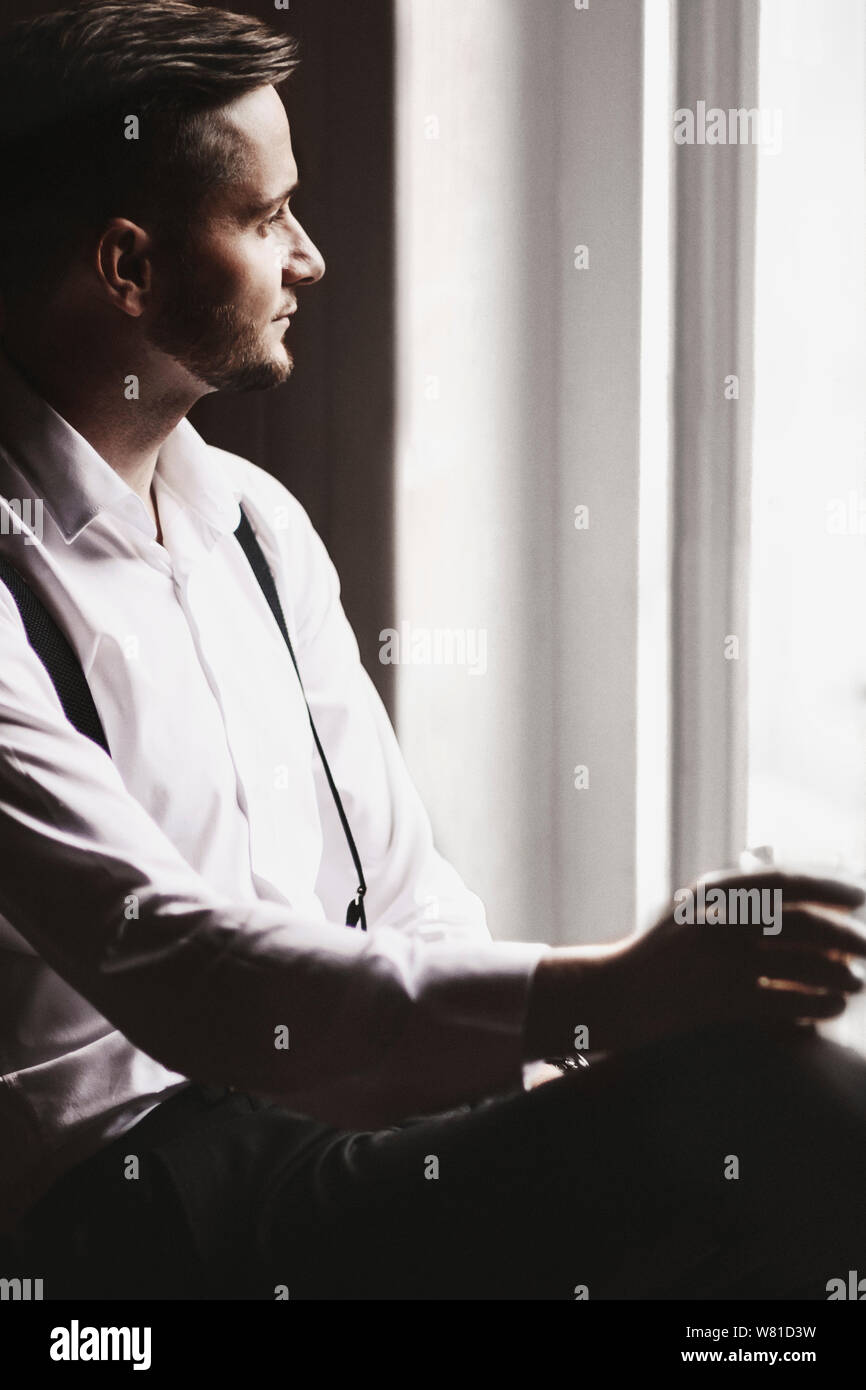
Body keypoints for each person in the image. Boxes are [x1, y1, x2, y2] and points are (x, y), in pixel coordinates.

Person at [1, 0, 865, 1301]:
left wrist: (589, 1062)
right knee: (774, 1110)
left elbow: (404, 898)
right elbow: (182, 972)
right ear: (127, 267)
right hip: (136, 1215)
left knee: (761, 1137)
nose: (311, 257)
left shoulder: (256, 527)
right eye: (263, 216)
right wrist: (609, 997)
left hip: (331, 1134)